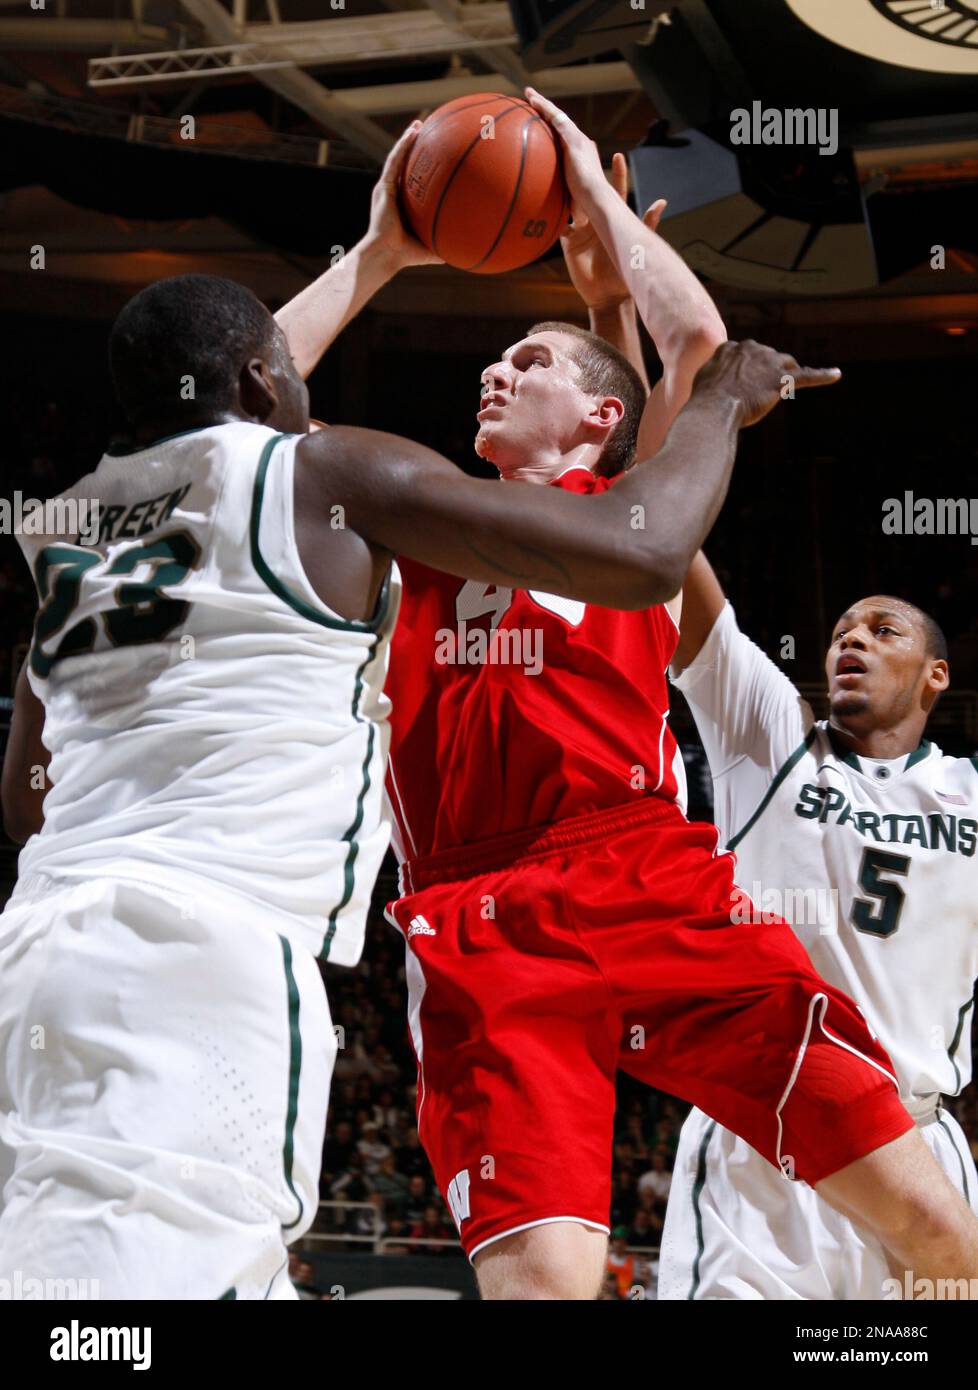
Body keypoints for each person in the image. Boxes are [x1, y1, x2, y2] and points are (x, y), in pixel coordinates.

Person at [0, 117, 778, 1295]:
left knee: (68, 1261)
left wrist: (388, 260)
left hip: (46, 935)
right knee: (149, 1286)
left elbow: (25, 800)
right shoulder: (345, 487)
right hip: (229, 946)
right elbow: (653, 516)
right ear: (270, 385)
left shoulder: (75, 534)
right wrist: (711, 380)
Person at [271, 89, 978, 1299]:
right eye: (494, 358)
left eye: (528, 358)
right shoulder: (421, 514)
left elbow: (697, 349)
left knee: (934, 1225)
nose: (495, 369)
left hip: (645, 867)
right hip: (478, 902)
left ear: (603, 417)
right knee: (548, 1284)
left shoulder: (638, 525)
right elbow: (251, 396)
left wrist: (595, 204)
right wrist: (385, 247)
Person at [658, 557, 978, 1298]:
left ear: (935, 675)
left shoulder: (968, 795)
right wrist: (667, 442)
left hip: (915, 1143)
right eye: (840, 634)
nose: (850, 643)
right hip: (765, 1132)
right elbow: (675, 566)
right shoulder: (771, 741)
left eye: (881, 630)